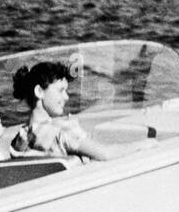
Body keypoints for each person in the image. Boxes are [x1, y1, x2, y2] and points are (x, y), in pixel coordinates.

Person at [11, 61, 140, 161]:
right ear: (39, 91)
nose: (66, 97)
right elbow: (105, 154)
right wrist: (146, 144)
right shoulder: (59, 135)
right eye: (61, 90)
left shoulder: (22, 136)